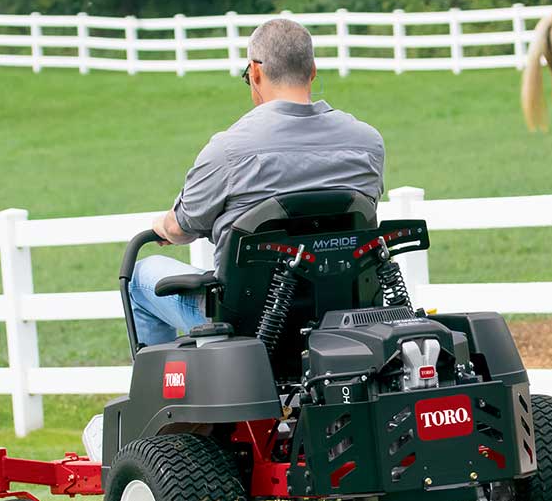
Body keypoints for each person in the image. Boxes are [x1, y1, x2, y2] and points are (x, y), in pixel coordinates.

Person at [128, 18, 385, 346]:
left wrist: (162, 226)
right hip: (340, 310)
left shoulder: (229, 150)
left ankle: (161, 395)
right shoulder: (367, 144)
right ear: (313, 71)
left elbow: (182, 228)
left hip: (245, 321)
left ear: (255, 72)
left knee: (140, 278)